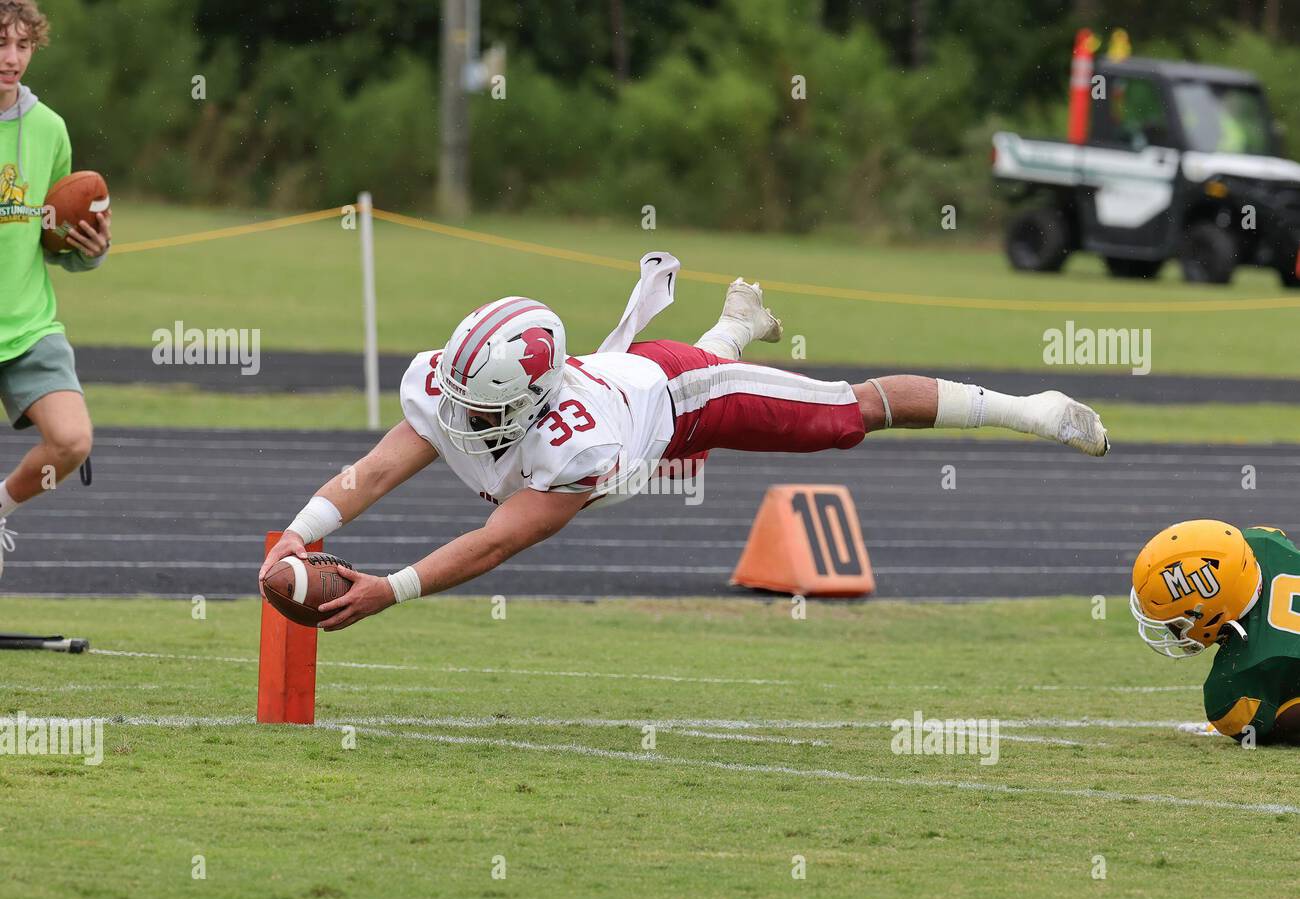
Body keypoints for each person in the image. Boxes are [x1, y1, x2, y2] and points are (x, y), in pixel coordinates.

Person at [260, 264, 1110, 630]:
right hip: (629, 383)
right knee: (701, 364)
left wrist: (391, 590)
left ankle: (1029, 409)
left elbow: (498, 539)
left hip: (679, 400)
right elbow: (373, 470)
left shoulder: (573, 443)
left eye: (480, 410)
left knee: (846, 415)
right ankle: (735, 325)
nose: (459, 421)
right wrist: (301, 531)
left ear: (532, 398)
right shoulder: (461, 387)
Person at [0, 0, 111, 579]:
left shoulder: (48, 129)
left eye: (22, 45)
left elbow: (55, 236)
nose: (11, 58)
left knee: (71, 441)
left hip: (28, 326)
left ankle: (0, 509)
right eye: (1, 44)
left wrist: (89, 250)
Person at [1130, 519, 1300, 743]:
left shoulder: (1231, 686)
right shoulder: (1262, 541)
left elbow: (1283, 734)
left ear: (1209, 611)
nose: (1170, 628)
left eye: (1173, 621)